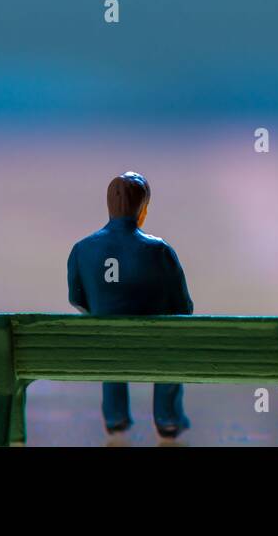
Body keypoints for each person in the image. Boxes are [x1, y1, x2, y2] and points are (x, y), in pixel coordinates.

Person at [67, 171, 193, 439]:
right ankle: (167, 417)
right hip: (155, 344)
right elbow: (183, 306)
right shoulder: (159, 250)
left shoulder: (82, 249)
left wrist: (105, 310)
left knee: (110, 340)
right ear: (142, 208)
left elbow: (76, 298)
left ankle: (115, 417)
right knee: (171, 346)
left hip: (104, 345)